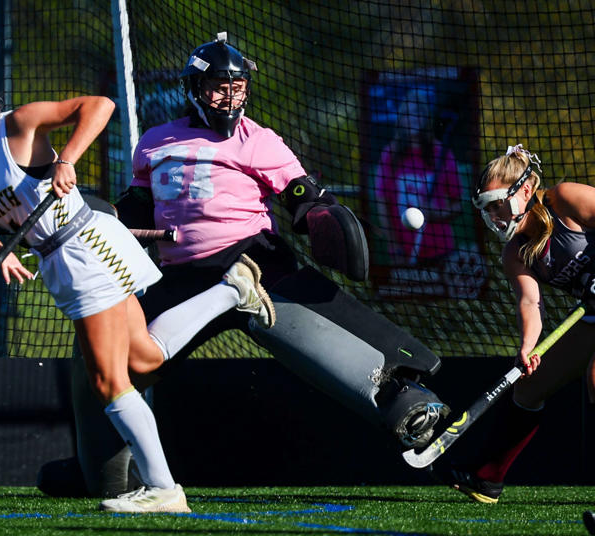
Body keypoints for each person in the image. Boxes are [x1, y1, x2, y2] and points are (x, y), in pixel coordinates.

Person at [37, 33, 451, 498]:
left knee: (336, 329)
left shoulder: (261, 141)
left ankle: (412, 406)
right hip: (181, 276)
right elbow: (137, 205)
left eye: (237, 87)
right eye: (219, 86)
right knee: (103, 348)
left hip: (255, 264)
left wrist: (320, 216)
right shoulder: (154, 143)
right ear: (194, 89)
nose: (230, 96)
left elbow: (301, 196)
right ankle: (101, 471)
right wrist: (104, 220)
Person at [0, 46, 279, 513]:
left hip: (85, 246)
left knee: (108, 380)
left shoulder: (18, 125)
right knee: (142, 358)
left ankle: (163, 489)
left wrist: (66, 159)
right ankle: (234, 289)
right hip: (58, 262)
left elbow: (100, 106)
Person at [442, 144, 595, 503]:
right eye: (487, 209)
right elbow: (530, 301)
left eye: (498, 203)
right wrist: (528, 346)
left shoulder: (565, 199)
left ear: (525, 191)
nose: (495, 216)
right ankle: (488, 481)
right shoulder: (515, 253)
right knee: (528, 389)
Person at [373, 89, 462, 265]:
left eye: (419, 113)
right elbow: (382, 202)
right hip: (404, 253)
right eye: (409, 113)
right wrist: (393, 245)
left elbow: (458, 205)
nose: (413, 118)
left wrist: (436, 214)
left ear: (426, 119)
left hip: (441, 250)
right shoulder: (390, 156)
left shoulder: (441, 153)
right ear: (401, 119)